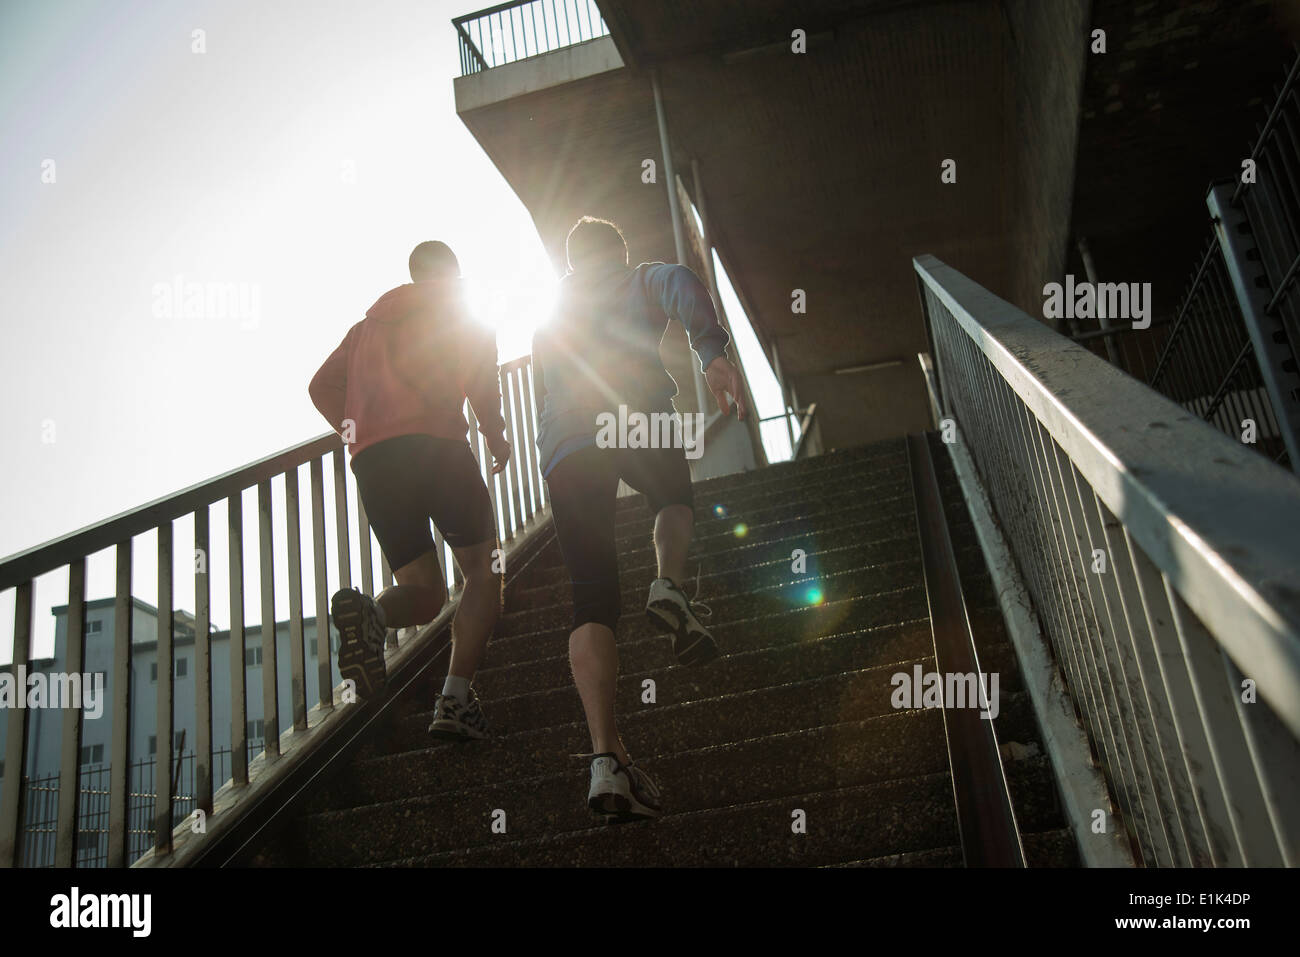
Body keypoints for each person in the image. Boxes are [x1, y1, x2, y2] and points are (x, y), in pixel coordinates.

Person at [531, 216, 748, 819]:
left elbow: (544, 387)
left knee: (592, 598)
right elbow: (680, 279)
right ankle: (668, 584)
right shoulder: (639, 279)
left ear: (572, 265)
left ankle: (605, 759)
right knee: (673, 498)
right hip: (636, 415)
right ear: (621, 253)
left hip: (568, 445)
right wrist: (711, 352)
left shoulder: (552, 316)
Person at [308, 240, 509, 740]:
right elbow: (482, 375)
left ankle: (374, 613)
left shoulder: (365, 327)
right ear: (454, 273)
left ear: (414, 274)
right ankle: (456, 698)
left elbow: (319, 386)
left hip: (374, 463)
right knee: (485, 573)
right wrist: (495, 433)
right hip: (437, 448)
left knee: (424, 591)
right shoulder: (459, 310)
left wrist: (359, 433)